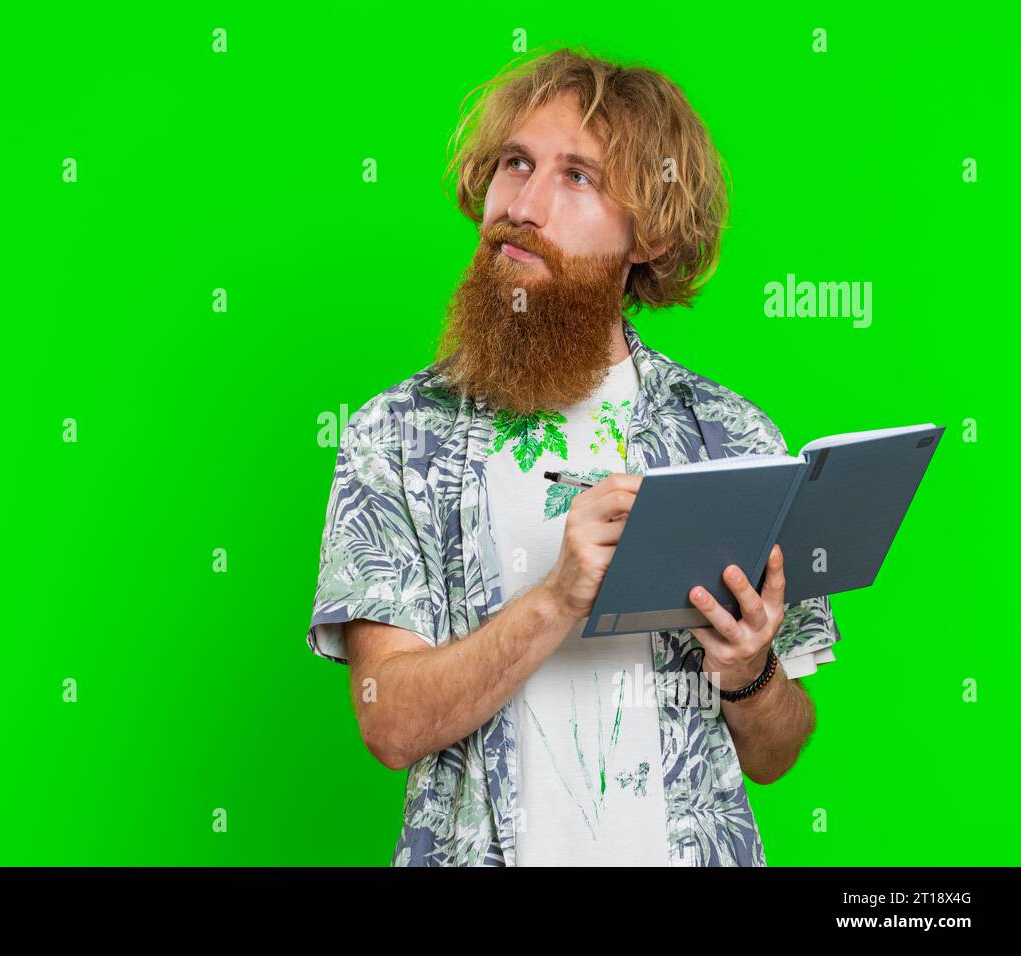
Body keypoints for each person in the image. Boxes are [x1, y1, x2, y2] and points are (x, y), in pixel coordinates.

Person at [306, 46, 841, 867]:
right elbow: (389, 724)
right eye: (515, 163)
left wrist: (749, 667)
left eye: (578, 177)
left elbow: (777, 751)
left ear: (648, 233)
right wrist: (557, 598)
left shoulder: (729, 438)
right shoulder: (397, 434)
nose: (524, 202)